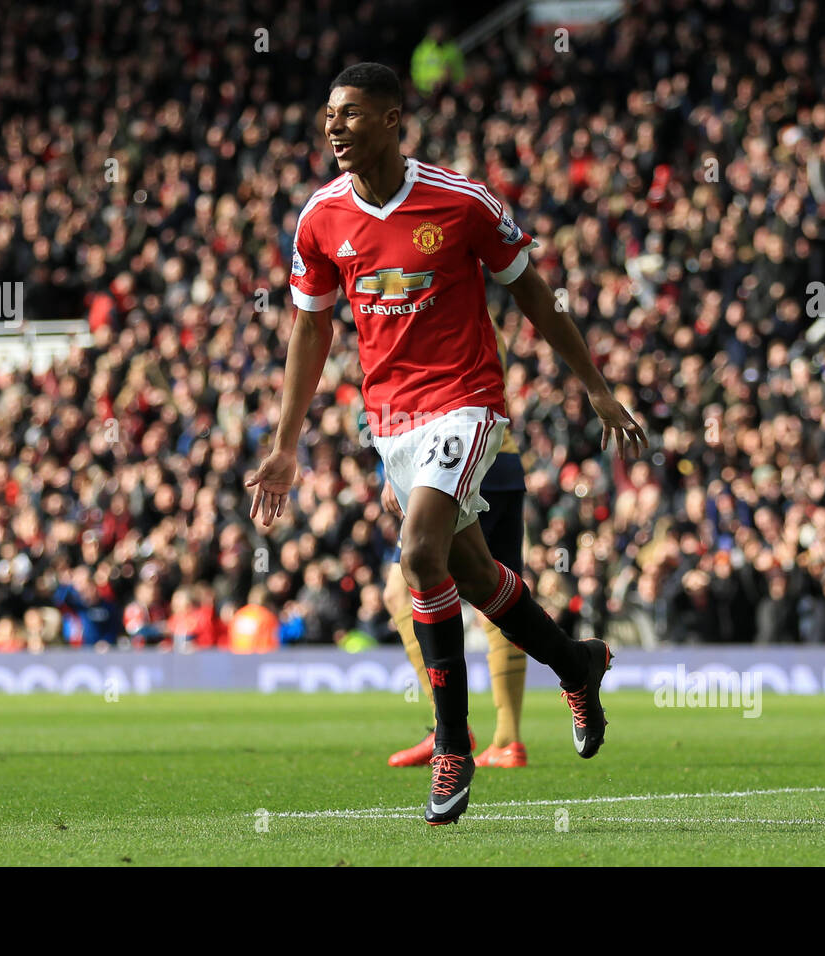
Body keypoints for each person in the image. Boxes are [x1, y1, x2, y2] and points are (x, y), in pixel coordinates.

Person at [246, 63, 646, 824]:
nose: (334, 127)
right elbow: (310, 325)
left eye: (353, 114)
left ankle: (454, 746)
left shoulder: (460, 202)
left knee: (419, 555)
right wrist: (285, 443)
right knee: (473, 575)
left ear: (393, 120)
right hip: (388, 423)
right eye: (330, 114)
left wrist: (594, 385)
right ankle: (577, 662)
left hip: (465, 405)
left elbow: (531, 289)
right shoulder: (321, 217)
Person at [384, 325, 529, 769]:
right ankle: (507, 738)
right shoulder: (483, 315)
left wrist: (394, 471)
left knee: (401, 589)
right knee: (498, 595)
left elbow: (414, 392)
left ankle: (447, 724)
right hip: (500, 460)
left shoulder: (430, 302)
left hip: (452, 462)